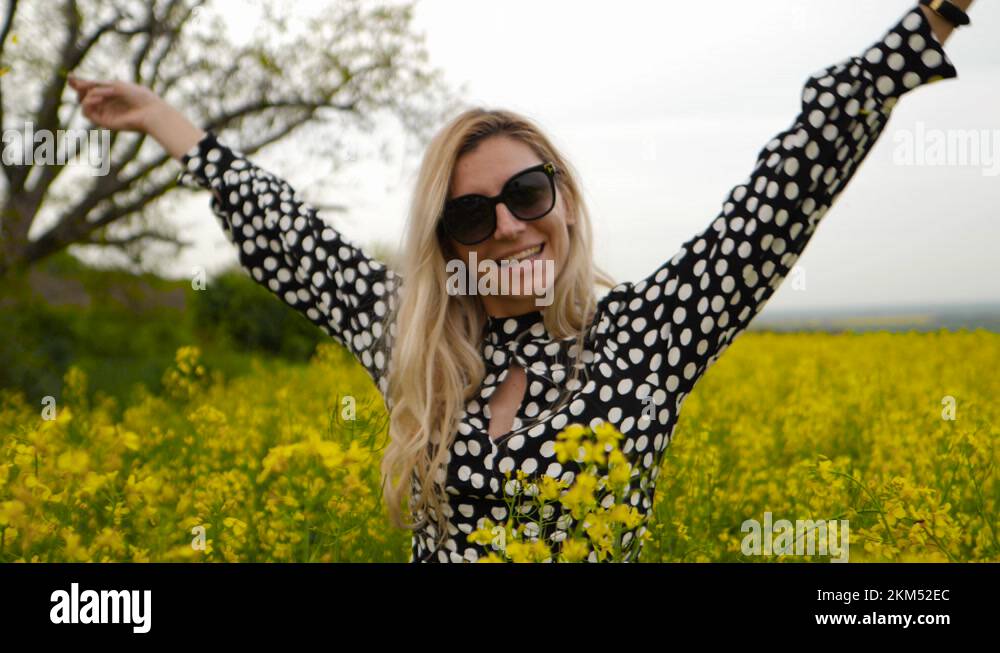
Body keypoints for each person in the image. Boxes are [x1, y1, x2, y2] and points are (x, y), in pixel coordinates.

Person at [69, 2, 971, 563]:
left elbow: (788, 185)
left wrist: (928, 20)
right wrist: (163, 121)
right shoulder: (412, 342)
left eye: (525, 193)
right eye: (470, 216)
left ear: (564, 202)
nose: (506, 225)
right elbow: (285, 235)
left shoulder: (648, 333)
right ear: (450, 244)